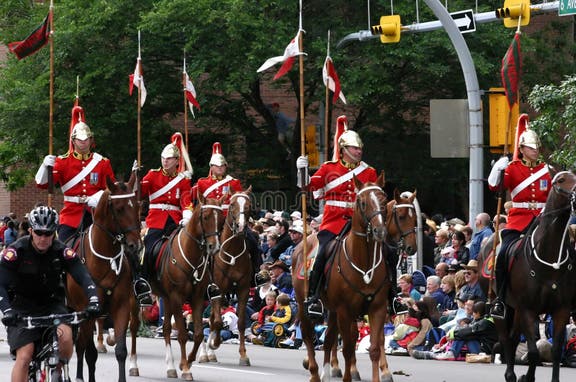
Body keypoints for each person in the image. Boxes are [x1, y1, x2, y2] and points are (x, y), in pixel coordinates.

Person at [0, 206, 100, 382]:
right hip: (22, 309)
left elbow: (83, 276)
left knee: (66, 337)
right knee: (25, 355)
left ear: (55, 233)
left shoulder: (61, 251)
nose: (43, 238)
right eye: (39, 232)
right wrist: (7, 311)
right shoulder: (16, 251)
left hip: (53, 305)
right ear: (30, 230)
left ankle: (58, 372)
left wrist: (93, 300)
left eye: (49, 234)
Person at [296, 115, 379, 318]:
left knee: (387, 251)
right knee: (321, 254)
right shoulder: (329, 169)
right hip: (333, 223)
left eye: (360, 148)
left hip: (361, 223)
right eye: (354, 148)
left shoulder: (369, 172)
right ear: (343, 149)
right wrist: (302, 170)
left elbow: (375, 197)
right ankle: (314, 298)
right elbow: (307, 186)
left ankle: (392, 295)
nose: (359, 151)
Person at [487, 118, 552, 318]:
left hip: (543, 219)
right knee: (504, 253)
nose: (535, 151)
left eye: (537, 148)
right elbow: (494, 187)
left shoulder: (547, 170)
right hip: (519, 220)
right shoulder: (513, 168)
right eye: (531, 148)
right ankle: (501, 299)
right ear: (522, 148)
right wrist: (498, 169)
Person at [35, 106, 116, 243]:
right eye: (79, 139)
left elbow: (112, 189)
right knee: (61, 249)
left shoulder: (102, 162)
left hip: (96, 215)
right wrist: (44, 166)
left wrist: (99, 196)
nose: (83, 142)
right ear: (73, 141)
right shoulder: (62, 161)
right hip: (71, 217)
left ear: (91, 140)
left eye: (86, 139)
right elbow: (42, 184)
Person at [195, 142, 262, 282]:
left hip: (230, 219)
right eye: (216, 166)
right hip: (211, 221)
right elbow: (197, 203)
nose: (220, 168)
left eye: (222, 166)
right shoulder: (202, 183)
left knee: (252, 239)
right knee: (197, 244)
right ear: (211, 167)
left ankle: (257, 273)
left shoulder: (234, 182)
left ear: (226, 167)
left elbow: (238, 200)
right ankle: (199, 275)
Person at [139, 133, 193, 306]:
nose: (165, 162)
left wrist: (187, 215)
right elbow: (140, 193)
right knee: (147, 249)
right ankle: (145, 284)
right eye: (163, 159)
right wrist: (136, 178)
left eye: (169, 159)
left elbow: (186, 200)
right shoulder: (152, 175)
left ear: (177, 161)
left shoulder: (183, 180)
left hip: (175, 220)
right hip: (156, 220)